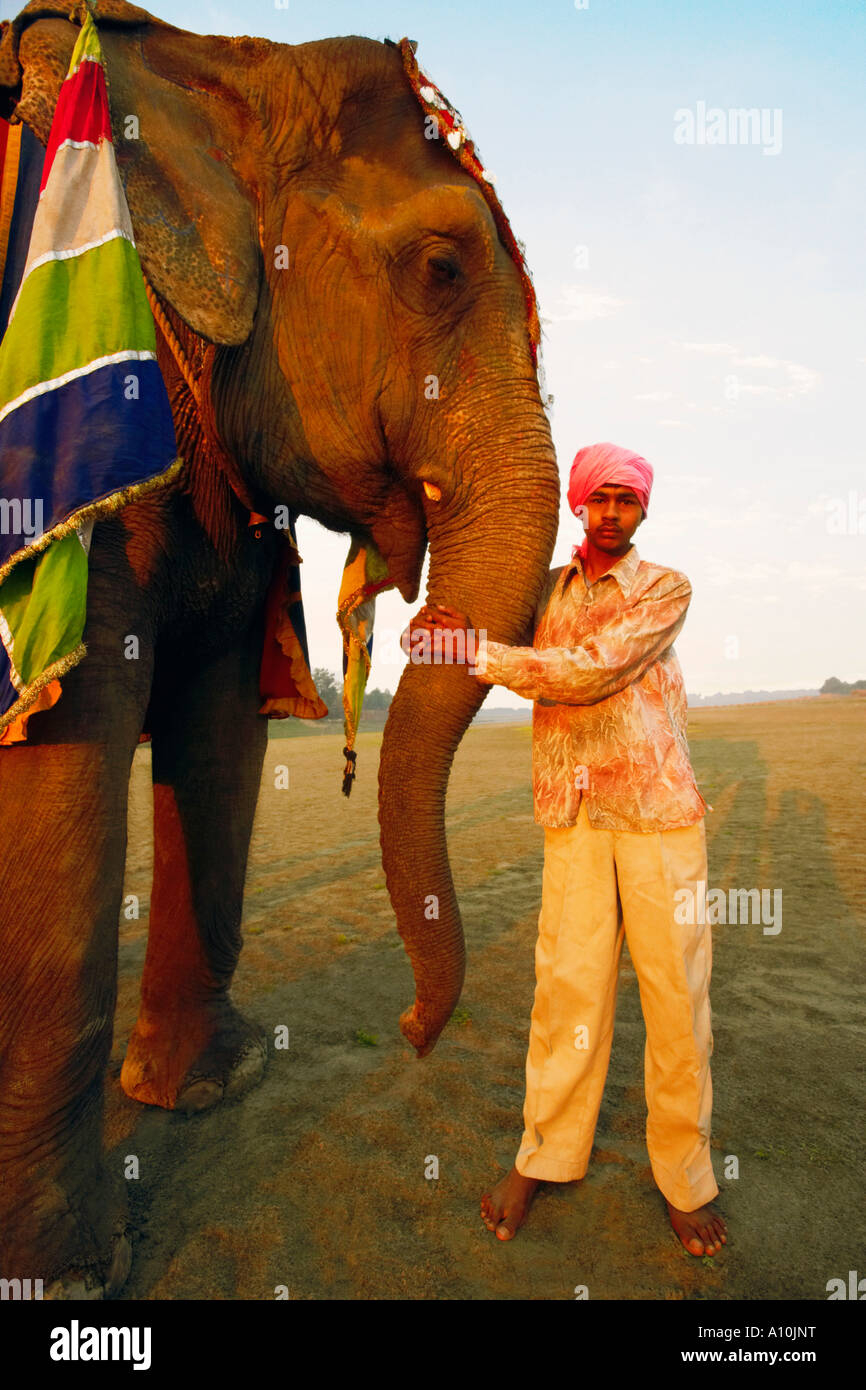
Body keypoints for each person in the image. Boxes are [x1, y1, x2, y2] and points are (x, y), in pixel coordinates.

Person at [410, 441, 726, 1257]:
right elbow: (493, 636)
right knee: (566, 998)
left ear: (643, 509)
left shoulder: (665, 589)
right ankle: (544, 1158)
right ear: (579, 506)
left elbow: (589, 670)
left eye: (627, 499)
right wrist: (447, 632)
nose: (612, 512)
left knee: (676, 1009)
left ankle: (685, 1180)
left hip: (659, 820)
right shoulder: (545, 591)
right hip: (575, 818)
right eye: (600, 499)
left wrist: (474, 650)